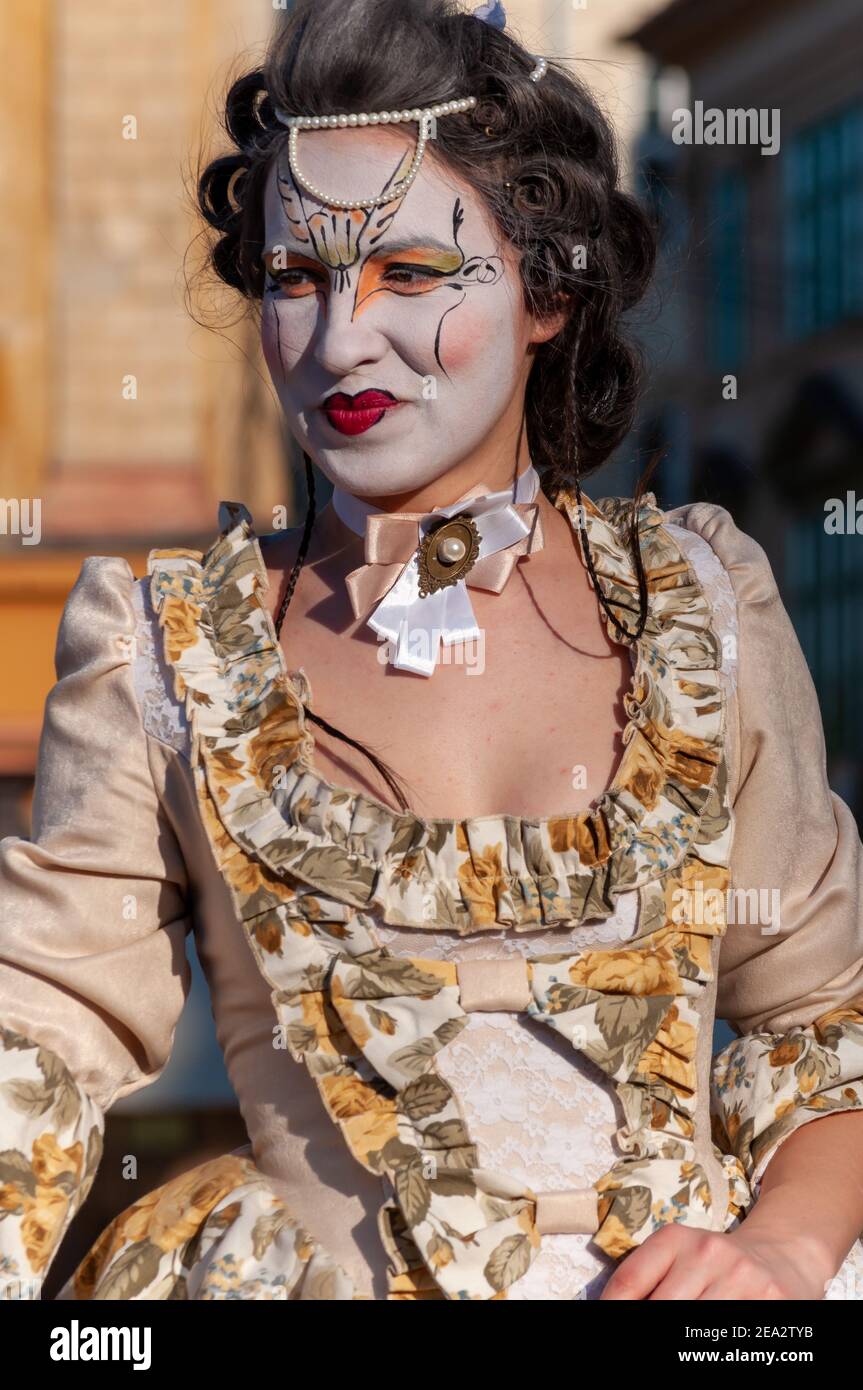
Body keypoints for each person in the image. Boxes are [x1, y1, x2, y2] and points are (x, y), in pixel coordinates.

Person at [2, 0, 863, 1302]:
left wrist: (787, 1248)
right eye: (296, 279)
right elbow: (40, 1038)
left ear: (548, 293)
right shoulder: (164, 647)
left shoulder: (706, 604)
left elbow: (826, 1025)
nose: (341, 338)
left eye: (408, 272)